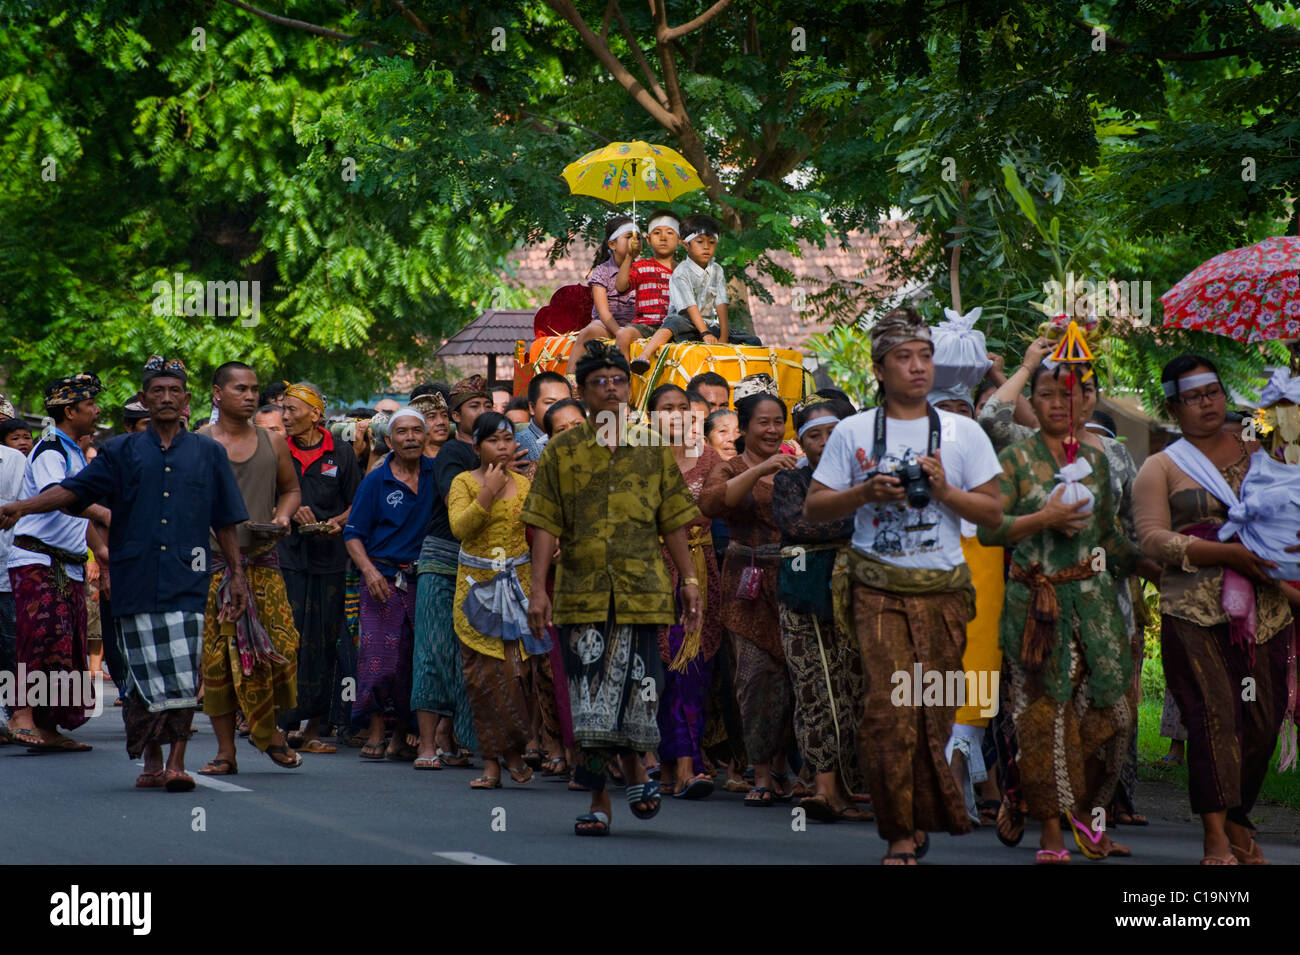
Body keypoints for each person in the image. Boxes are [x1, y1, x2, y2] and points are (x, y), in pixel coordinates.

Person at [804, 308, 1003, 865]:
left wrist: (944, 491)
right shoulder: (852, 430)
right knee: (890, 708)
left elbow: (992, 512)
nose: (917, 368)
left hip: (944, 590)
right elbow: (815, 507)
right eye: (903, 358)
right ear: (879, 368)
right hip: (876, 586)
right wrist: (865, 495)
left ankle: (919, 817)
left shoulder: (963, 432)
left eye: (924, 356)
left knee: (932, 711)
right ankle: (897, 832)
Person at [0, 357, 250, 790]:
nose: (167, 398)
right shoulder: (119, 452)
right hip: (133, 576)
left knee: (181, 672)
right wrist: (21, 507)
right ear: (144, 400)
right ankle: (153, 762)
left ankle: (176, 763)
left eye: (175, 391)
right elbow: (72, 492)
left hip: (188, 577)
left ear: (187, 400)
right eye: (157, 391)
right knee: (139, 673)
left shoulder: (208, 453)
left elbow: (225, 519)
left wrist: (238, 574)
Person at [522, 341, 702, 836]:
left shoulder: (651, 447)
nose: (610, 388)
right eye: (598, 382)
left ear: (630, 388)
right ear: (582, 393)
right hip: (580, 591)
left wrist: (688, 579)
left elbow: (674, 520)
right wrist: (538, 589)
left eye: (618, 380)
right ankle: (600, 799)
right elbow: (543, 523)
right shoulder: (561, 450)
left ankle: (639, 767)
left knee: (642, 689)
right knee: (589, 694)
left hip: (643, 590)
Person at [1133, 355, 1294, 865]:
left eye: (1213, 392)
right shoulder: (1161, 464)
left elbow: (1288, 419)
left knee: (1263, 722)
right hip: (1194, 609)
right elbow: (1153, 538)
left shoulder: (1252, 432)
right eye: (1193, 396)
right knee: (1213, 717)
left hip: (1267, 606)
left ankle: (1238, 817)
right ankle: (1216, 837)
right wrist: (1223, 553)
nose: (1207, 403)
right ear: (1173, 406)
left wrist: (1290, 375)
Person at [978, 362, 1139, 863]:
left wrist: (1156, 567)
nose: (1058, 404)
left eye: (1071, 394)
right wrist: (1043, 518)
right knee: (1044, 718)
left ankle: (1051, 796)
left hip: (1100, 604)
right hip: (1037, 607)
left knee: (1113, 716)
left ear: (1092, 398)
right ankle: (1052, 833)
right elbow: (990, 529)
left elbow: (1118, 532)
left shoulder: (1111, 455)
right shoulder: (1018, 456)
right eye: (1046, 394)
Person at [198, 362, 304, 773]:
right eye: (240, 388)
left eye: (254, 389)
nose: (250, 395)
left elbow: (291, 489)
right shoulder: (199, 443)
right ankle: (227, 752)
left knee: (279, 648)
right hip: (213, 567)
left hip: (263, 560)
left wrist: (281, 517)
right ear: (217, 394)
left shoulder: (273, 442)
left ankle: (269, 729)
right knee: (218, 660)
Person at [700, 375, 799, 805]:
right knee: (755, 676)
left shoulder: (800, 466)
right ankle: (758, 772)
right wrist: (760, 467)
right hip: (746, 580)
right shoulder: (731, 466)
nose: (773, 430)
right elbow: (712, 503)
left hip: (794, 579)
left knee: (795, 676)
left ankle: (782, 767)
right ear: (744, 427)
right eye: (764, 423)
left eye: (779, 422)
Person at [771, 393, 869, 822]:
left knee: (854, 690)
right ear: (801, 442)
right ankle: (825, 788)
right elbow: (798, 525)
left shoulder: (866, 479)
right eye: (815, 435)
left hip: (859, 596)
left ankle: (851, 789)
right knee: (814, 688)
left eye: (834, 433)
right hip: (802, 594)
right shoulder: (790, 482)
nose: (826, 442)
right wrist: (854, 518)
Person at [6, 373, 107, 752]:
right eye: (90, 405)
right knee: (37, 640)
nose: (97, 412)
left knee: (65, 645)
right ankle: (21, 714)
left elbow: (77, 516)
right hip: (36, 559)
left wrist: (104, 555)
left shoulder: (74, 449)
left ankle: (49, 725)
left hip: (67, 564)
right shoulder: (51, 448)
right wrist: (108, 515)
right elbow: (60, 497)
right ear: (70, 411)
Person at [926, 383, 1005, 828]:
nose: (955, 417)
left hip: (983, 565)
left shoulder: (990, 457)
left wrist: (1027, 367)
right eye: (944, 409)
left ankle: (958, 767)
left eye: (964, 408)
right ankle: (934, 777)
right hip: (926, 565)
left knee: (979, 665)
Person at [447, 412, 540, 788]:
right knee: (482, 680)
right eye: (493, 440)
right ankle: (492, 763)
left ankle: (517, 750)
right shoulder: (464, 483)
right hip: (477, 593)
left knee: (519, 676)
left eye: (507, 439)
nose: (502, 447)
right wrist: (489, 490)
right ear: (477, 445)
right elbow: (460, 528)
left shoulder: (526, 484)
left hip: (520, 590)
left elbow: (540, 532)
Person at [409, 376, 493, 769]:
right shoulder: (453, 454)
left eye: (487, 405)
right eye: (474, 407)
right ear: (457, 416)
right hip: (442, 557)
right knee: (434, 651)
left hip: (483, 561)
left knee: (471, 654)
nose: (483, 412)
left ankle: (455, 737)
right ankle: (427, 744)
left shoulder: (499, 448)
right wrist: (497, 477)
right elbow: (453, 499)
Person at [344, 408, 436, 760]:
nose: (411, 437)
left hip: (424, 579)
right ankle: (377, 727)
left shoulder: (437, 476)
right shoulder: (377, 480)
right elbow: (353, 534)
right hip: (381, 578)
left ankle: (402, 732)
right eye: (403, 432)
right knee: (378, 660)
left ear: (425, 437)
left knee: (412, 659)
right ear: (389, 440)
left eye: (417, 431)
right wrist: (369, 572)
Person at [645, 384, 723, 799]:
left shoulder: (709, 457)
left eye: (682, 408)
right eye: (666, 408)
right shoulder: (639, 460)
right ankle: (668, 761)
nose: (676, 415)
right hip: (654, 571)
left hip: (699, 572)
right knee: (661, 670)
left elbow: (713, 508)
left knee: (692, 669)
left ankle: (689, 764)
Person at [277, 382, 360, 753]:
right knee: (286, 638)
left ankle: (314, 727)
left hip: (330, 561)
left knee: (324, 641)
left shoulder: (340, 453)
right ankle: (282, 724)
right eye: (283, 410)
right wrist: (290, 510)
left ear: (314, 413)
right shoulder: (279, 450)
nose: (285, 417)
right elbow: (265, 498)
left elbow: (358, 503)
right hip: (289, 558)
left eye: (292, 410)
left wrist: (339, 521)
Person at [566, 216, 644, 374]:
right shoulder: (602, 271)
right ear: (612, 244)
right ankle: (571, 381)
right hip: (606, 325)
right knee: (587, 332)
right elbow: (603, 313)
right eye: (629, 237)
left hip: (635, 326)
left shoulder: (643, 269)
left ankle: (625, 387)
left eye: (638, 238)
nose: (634, 241)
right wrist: (618, 332)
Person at [624, 210, 682, 373]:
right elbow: (621, 287)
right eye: (657, 233)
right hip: (645, 325)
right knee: (623, 335)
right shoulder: (641, 266)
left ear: (679, 240)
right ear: (648, 239)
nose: (663, 237)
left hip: (673, 327)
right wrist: (629, 256)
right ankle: (624, 383)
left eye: (670, 233)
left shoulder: (684, 271)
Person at [517, 371, 572, 462]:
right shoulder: (520, 445)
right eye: (550, 402)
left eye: (565, 402)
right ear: (532, 408)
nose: (559, 408)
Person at [409, 389, 451, 458]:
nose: (441, 422)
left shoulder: (460, 455)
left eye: (444, 415)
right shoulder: (409, 461)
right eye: (431, 416)